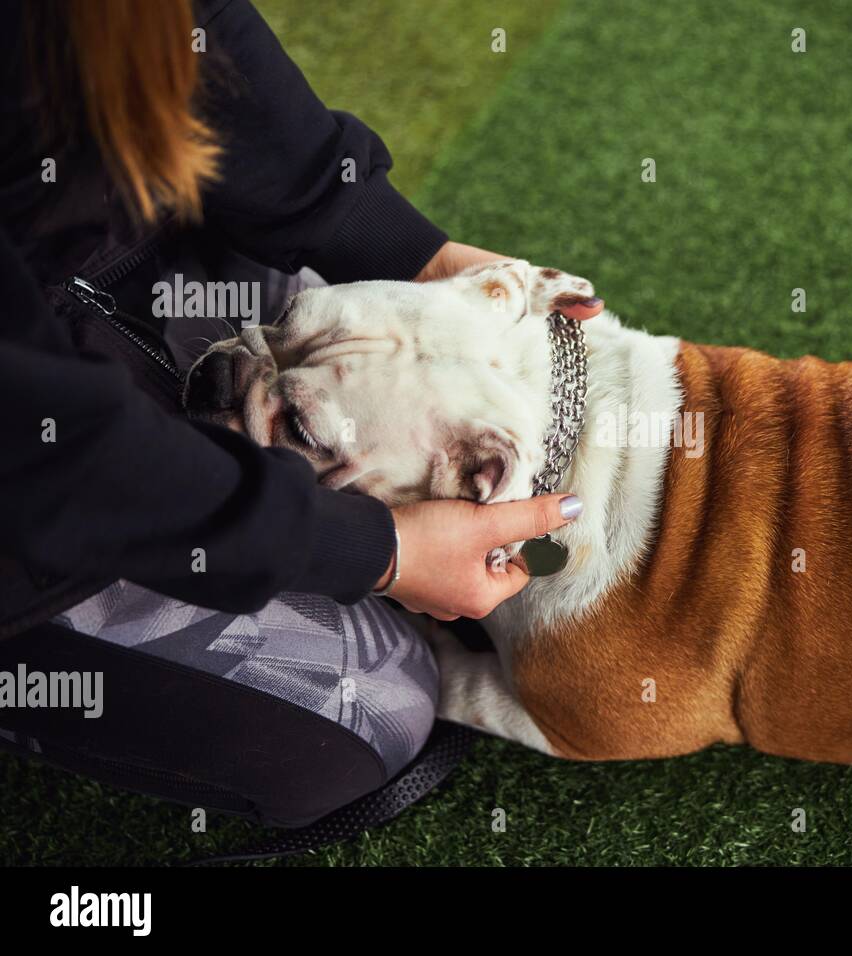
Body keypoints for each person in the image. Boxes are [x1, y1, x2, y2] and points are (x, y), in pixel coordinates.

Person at [0, 0, 598, 826]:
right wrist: (376, 549)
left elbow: (184, 25)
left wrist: (405, 254)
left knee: (325, 350)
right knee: (372, 711)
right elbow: (56, 457)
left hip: (108, 251)